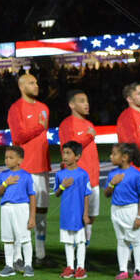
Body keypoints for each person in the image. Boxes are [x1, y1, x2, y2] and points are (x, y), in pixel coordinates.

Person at [8, 72, 52, 265]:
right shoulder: (16, 108)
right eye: (31, 83)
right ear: (21, 86)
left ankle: (41, 254)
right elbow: (18, 137)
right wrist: (38, 128)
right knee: (23, 214)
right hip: (24, 169)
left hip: (42, 168)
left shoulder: (43, 108)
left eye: (36, 82)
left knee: (41, 212)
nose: (36, 85)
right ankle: (18, 256)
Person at [115, 82, 140, 264]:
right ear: (130, 99)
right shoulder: (126, 117)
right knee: (134, 216)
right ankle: (130, 260)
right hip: (134, 175)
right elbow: (130, 148)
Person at [57, 91, 100, 247]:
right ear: (72, 105)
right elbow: (69, 149)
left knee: (91, 215)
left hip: (93, 178)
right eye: (82, 101)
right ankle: (76, 250)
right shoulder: (68, 124)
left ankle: (84, 248)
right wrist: (89, 137)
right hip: (78, 179)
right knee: (79, 216)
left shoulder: (89, 124)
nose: (86, 104)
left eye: (87, 101)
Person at [105, 143, 140, 280]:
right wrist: (112, 183)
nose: (111, 156)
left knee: (136, 240)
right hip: (116, 210)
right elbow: (106, 194)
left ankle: (138, 270)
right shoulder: (112, 174)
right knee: (121, 241)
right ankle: (123, 269)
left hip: (131, 210)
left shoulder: (136, 175)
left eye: (114, 154)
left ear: (124, 157)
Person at [0, 144, 36, 278]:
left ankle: (28, 265)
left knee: (25, 238)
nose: (7, 160)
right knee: (8, 239)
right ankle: (9, 265)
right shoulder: (2, 176)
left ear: (20, 160)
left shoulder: (27, 176)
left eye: (11, 158)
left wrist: (32, 217)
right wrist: (6, 183)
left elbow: (32, 196)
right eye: (6, 157)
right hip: (6, 209)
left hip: (21, 208)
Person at [53, 142, 93, 278]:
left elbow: (87, 194)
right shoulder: (60, 174)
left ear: (77, 156)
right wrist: (62, 186)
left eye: (68, 153)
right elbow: (57, 193)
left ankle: (80, 267)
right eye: (63, 153)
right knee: (68, 241)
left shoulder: (83, 174)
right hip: (65, 214)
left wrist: (86, 213)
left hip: (79, 213)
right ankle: (70, 266)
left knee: (80, 241)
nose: (64, 156)